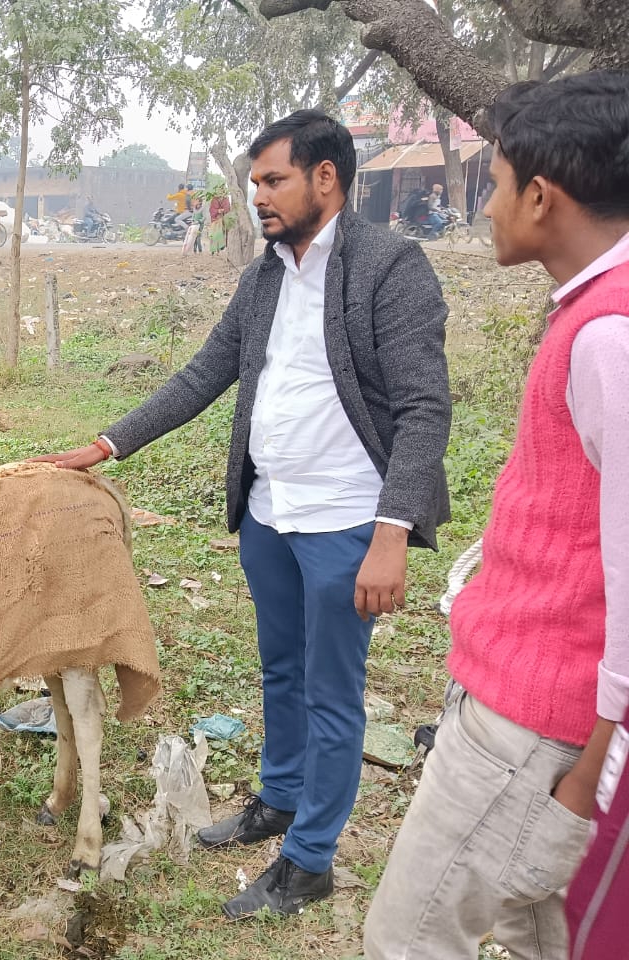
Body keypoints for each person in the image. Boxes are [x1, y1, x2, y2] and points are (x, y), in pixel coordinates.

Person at [35, 109, 451, 919]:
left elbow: (425, 408)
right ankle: (282, 797)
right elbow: (205, 374)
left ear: (324, 178)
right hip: (269, 514)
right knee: (282, 671)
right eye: (253, 182)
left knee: (333, 691)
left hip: (345, 522)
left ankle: (310, 860)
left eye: (272, 180)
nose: (256, 196)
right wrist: (108, 444)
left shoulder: (389, 267)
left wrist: (392, 531)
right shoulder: (264, 275)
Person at [364, 69, 629, 960]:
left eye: (496, 183)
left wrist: (589, 771)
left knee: (407, 937)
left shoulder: (610, 339)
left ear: (543, 197)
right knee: (540, 939)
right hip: (533, 709)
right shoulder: (593, 316)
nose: (485, 206)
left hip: (535, 725)